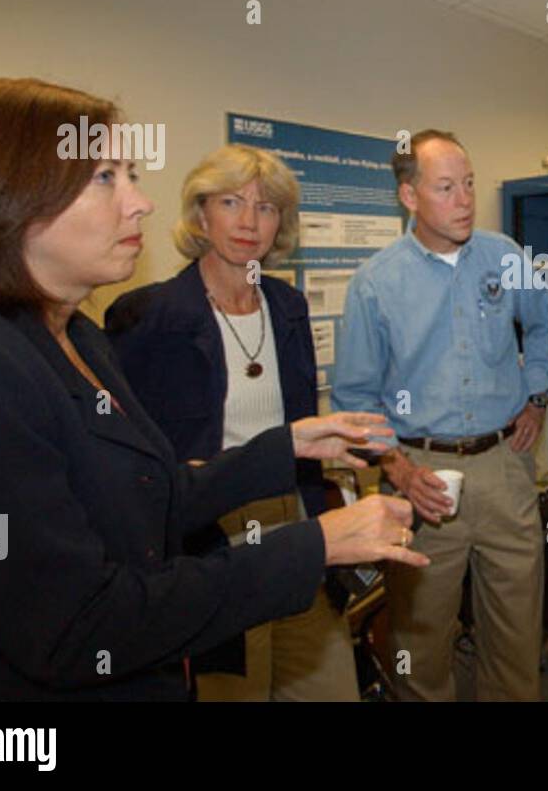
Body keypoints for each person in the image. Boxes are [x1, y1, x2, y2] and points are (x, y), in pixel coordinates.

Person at [0, 78, 428, 701]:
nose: (140, 203)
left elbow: (156, 493)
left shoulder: (78, 337)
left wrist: (287, 445)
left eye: (131, 176)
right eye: (107, 178)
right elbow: (77, 624)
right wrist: (314, 546)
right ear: (7, 195)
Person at [106, 145, 360, 701]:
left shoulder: (288, 306)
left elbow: (297, 424)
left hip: (293, 524)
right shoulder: (148, 316)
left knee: (330, 685)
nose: (248, 221)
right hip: (210, 541)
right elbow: (126, 455)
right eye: (230, 202)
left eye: (266, 207)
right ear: (201, 215)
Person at [332, 129, 548, 701]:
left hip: (506, 465)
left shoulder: (504, 255)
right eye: (446, 187)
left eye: (470, 184)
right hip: (422, 474)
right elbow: (357, 399)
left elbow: (546, 324)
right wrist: (400, 471)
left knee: (516, 633)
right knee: (421, 640)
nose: (465, 200)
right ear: (409, 196)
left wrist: (537, 396)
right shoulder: (375, 284)